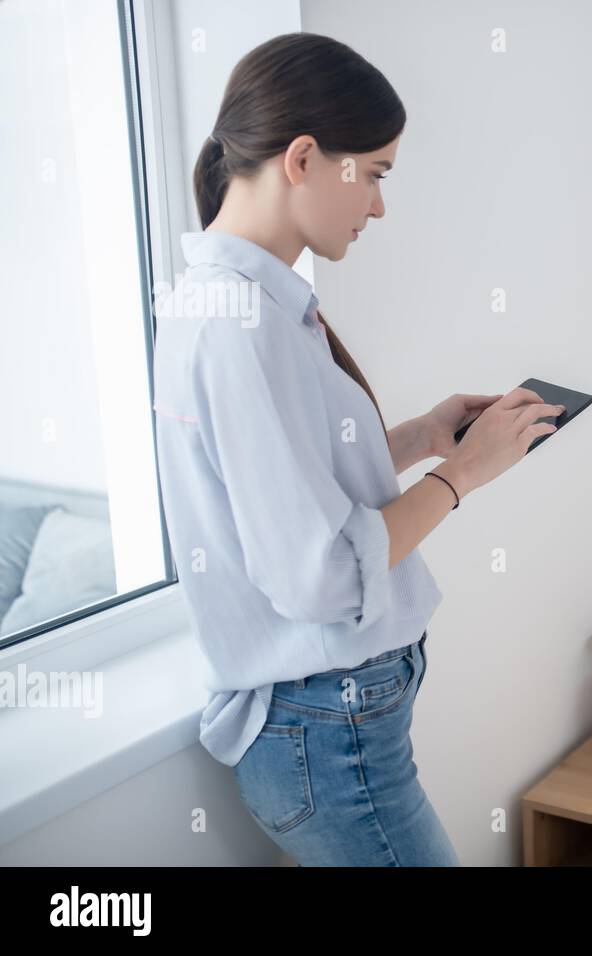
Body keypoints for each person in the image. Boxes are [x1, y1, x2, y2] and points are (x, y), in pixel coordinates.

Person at [151, 32, 561, 865]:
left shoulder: (241, 305)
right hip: (326, 735)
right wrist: (464, 474)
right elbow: (322, 575)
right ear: (303, 159)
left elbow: (291, 479)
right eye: (372, 174)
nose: (378, 205)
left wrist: (416, 438)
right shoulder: (239, 324)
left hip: (332, 729)